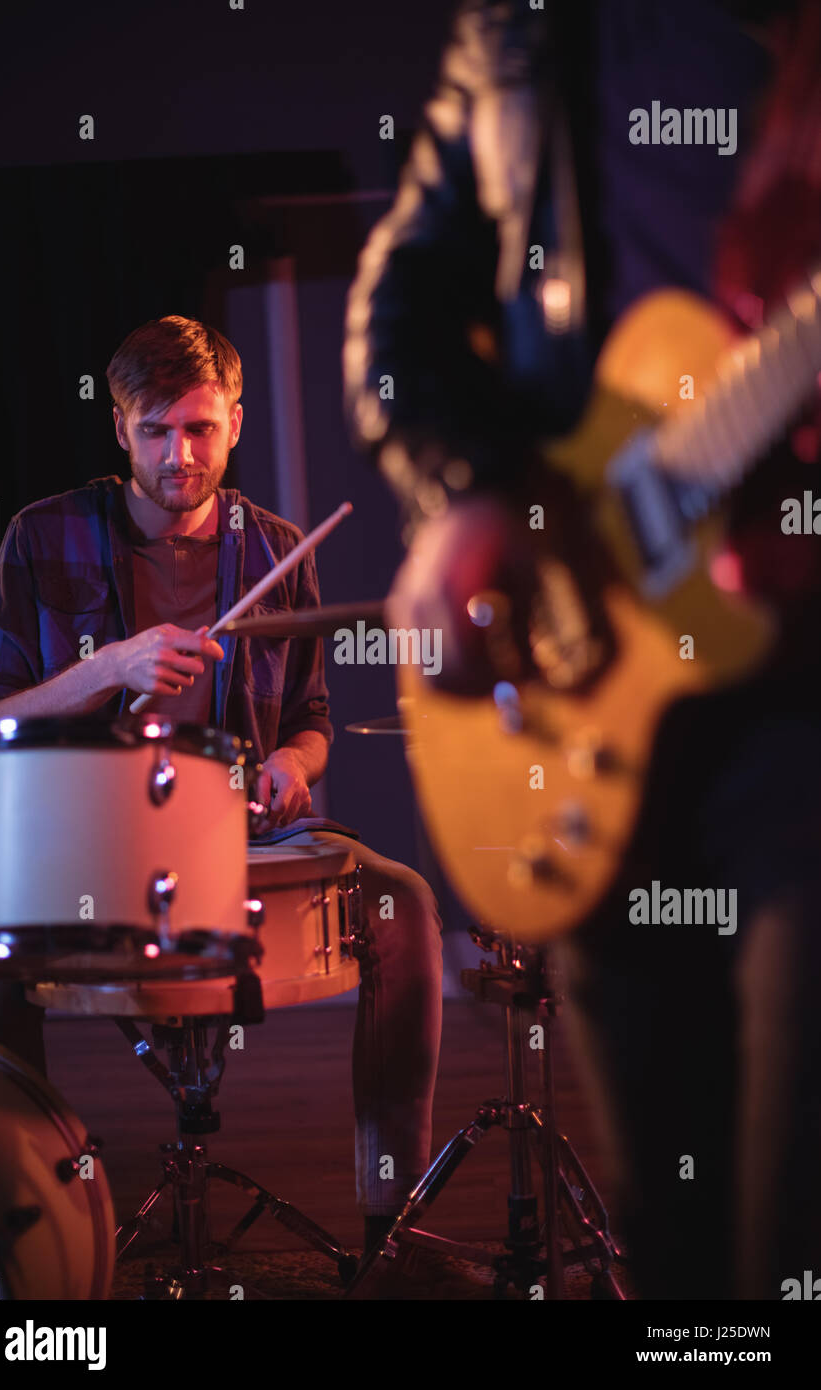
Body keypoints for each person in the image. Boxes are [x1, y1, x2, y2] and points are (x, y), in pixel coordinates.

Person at [344, 0, 821, 1298]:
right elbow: (395, 324)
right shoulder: (516, 36)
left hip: (801, 690)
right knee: (675, 1244)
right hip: (597, 677)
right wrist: (474, 493)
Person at [0, 315, 443, 1258]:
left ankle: (394, 1230)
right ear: (120, 429)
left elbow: (310, 719)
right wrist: (115, 666)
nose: (180, 455)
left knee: (403, 909)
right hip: (88, 844)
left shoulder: (277, 550)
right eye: (156, 431)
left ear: (236, 423)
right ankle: (17, 1232)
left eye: (200, 429)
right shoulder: (39, 537)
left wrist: (292, 768)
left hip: (240, 843)